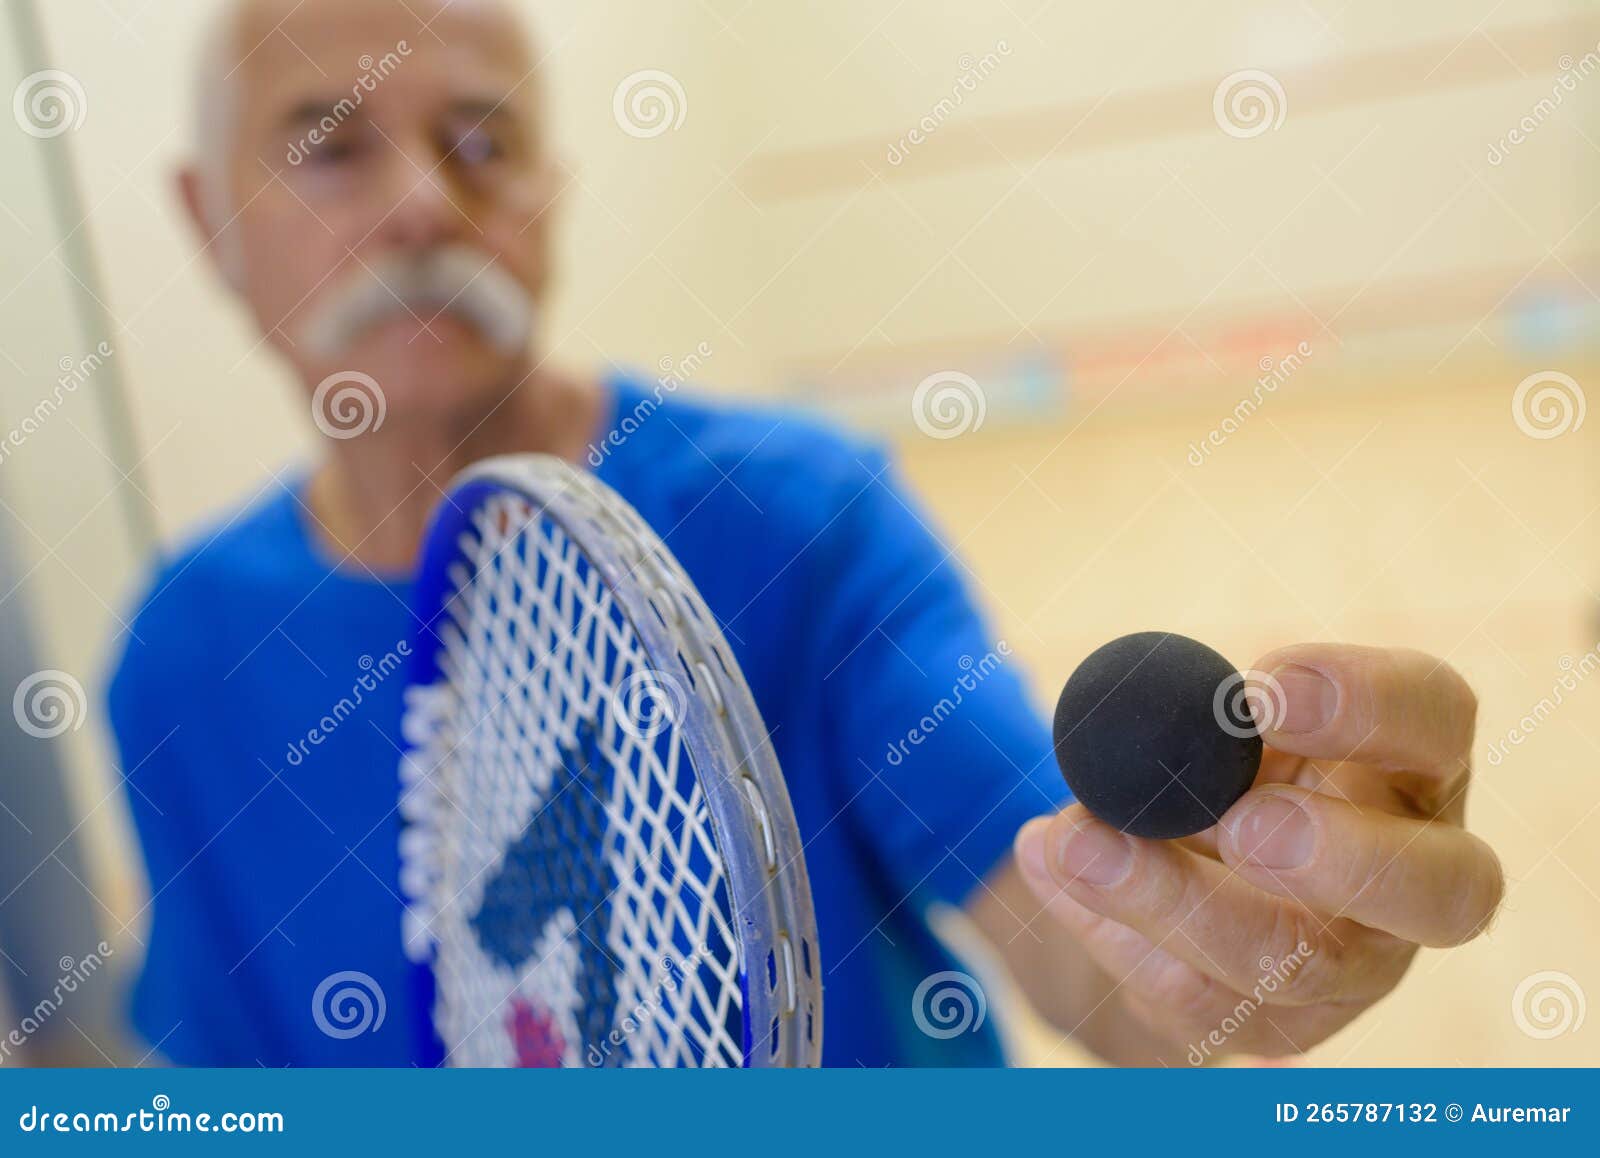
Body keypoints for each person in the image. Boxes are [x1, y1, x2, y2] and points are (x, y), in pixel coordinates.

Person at [107, 0, 1504, 1067]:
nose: (422, 200)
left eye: (482, 140)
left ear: (551, 197)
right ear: (206, 219)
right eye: (330, 146)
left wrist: (1225, 955)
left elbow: (1087, 957)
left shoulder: (801, 517)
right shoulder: (176, 660)